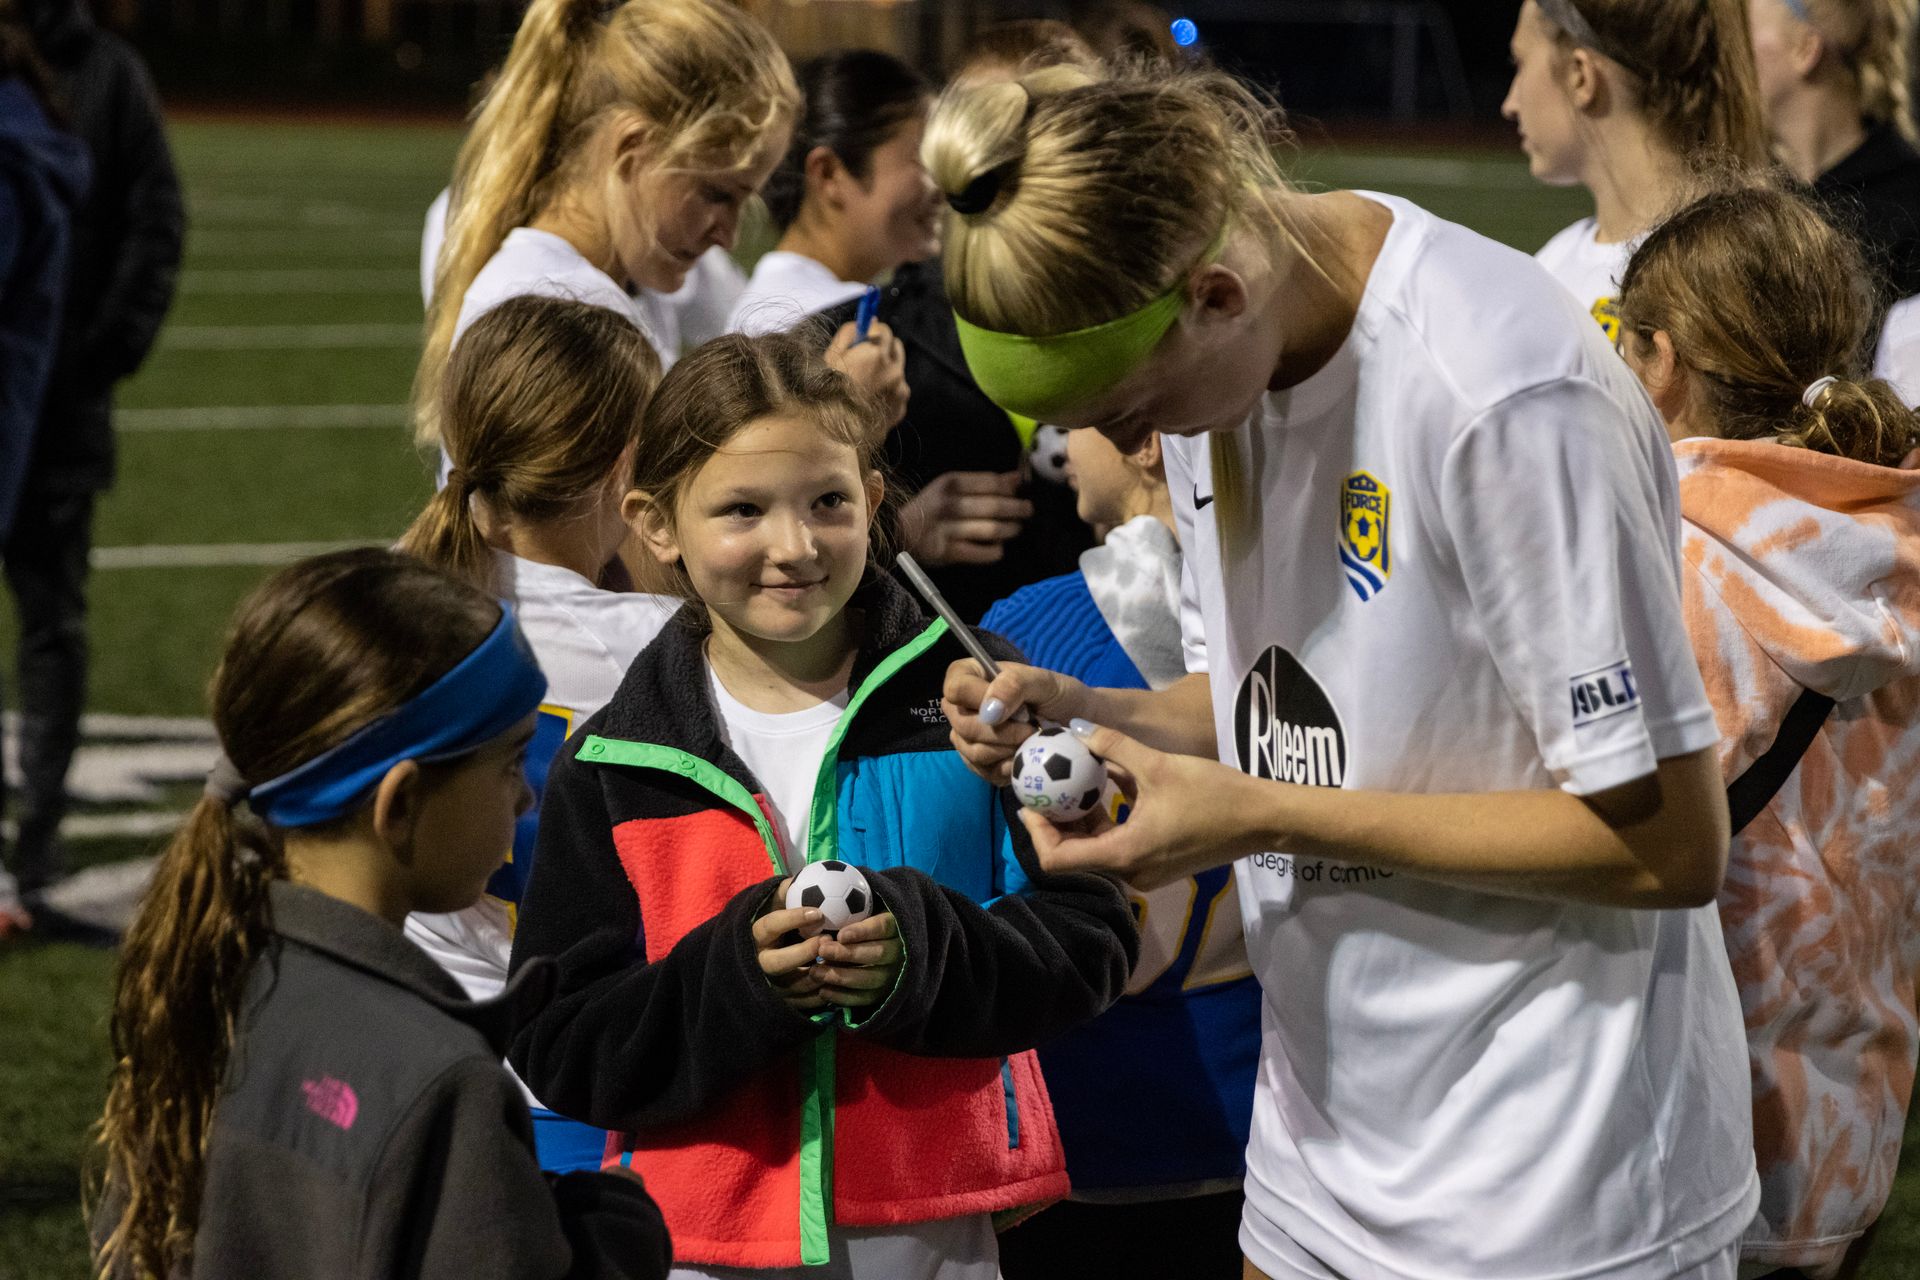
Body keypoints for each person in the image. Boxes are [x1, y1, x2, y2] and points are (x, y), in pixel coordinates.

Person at [929, 62, 1757, 1280]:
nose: (1131, 447)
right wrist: (1097, 711)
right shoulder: (1235, 358)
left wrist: (1258, 815)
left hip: (1556, 1186)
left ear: (1214, 291)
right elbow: (1275, 695)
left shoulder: (1501, 390)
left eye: (1132, 406)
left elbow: (1672, 843)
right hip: (1318, 1150)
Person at [507, 331, 1138, 1277]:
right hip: (698, 1244)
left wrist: (918, 957)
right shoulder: (615, 761)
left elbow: (1094, 936)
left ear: (875, 503)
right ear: (656, 522)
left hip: (936, 1234)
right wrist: (739, 976)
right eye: (743, 510)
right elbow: (562, 1041)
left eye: (829, 503)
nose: (793, 547)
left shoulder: (976, 701)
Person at [90, 548, 673, 1280]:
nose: (527, 799)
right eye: (509, 764)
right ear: (400, 805)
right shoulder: (439, 1077)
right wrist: (615, 1230)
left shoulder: (196, 981)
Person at [1615, 180, 1920, 1280]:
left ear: (1662, 359)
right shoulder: (1897, 540)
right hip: (1859, 1116)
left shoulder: (1671, 564)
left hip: (1697, 1142)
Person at [398, 294, 677, 1172]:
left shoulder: (390, 609)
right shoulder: (662, 651)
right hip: (583, 1093)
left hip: (408, 1067)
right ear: (622, 467)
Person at [980, 428, 1259, 1280]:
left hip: (1080, 1123)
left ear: (1148, 440)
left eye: (1085, 420)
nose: (1059, 445)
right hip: (1284, 1124)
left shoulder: (1022, 637)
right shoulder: (1311, 620)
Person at [415, 0, 903, 449]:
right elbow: (646, 537)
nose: (727, 235)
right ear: (633, 150)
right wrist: (837, 422)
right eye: (716, 194)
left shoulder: (620, 277)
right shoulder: (557, 320)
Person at [4, 0, 177, 926]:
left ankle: (38, 829)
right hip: (39, 395)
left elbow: (156, 225)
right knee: (53, 629)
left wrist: (96, 355)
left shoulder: (106, 74)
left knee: (52, 626)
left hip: (57, 410)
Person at [1503, 0, 1769, 342]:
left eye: (1520, 63)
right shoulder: (1554, 261)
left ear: (1580, 76)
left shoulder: (1719, 273)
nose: (1509, 103)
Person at [1748, 0, 1920, 404]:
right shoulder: (1758, 205)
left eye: (1743, 33)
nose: (1727, 59)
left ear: (1806, 50)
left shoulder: (1908, 209)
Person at [727, 49, 938, 339]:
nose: (941, 187)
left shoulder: (772, 303)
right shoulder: (825, 322)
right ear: (828, 173)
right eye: (924, 158)